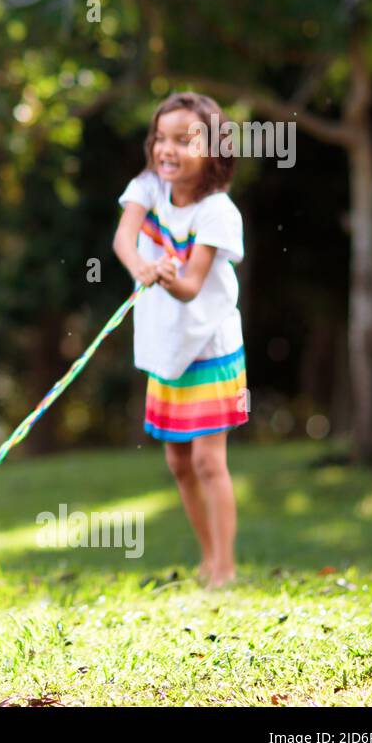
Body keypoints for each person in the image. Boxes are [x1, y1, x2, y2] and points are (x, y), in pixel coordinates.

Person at [111, 91, 248, 588]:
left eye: (182, 141)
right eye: (159, 138)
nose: (166, 150)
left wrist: (165, 275)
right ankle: (208, 560)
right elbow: (123, 239)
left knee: (210, 460)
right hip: (165, 346)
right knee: (178, 460)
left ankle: (225, 571)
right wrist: (143, 267)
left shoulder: (217, 213)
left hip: (209, 345)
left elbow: (191, 286)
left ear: (212, 150)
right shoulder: (148, 186)